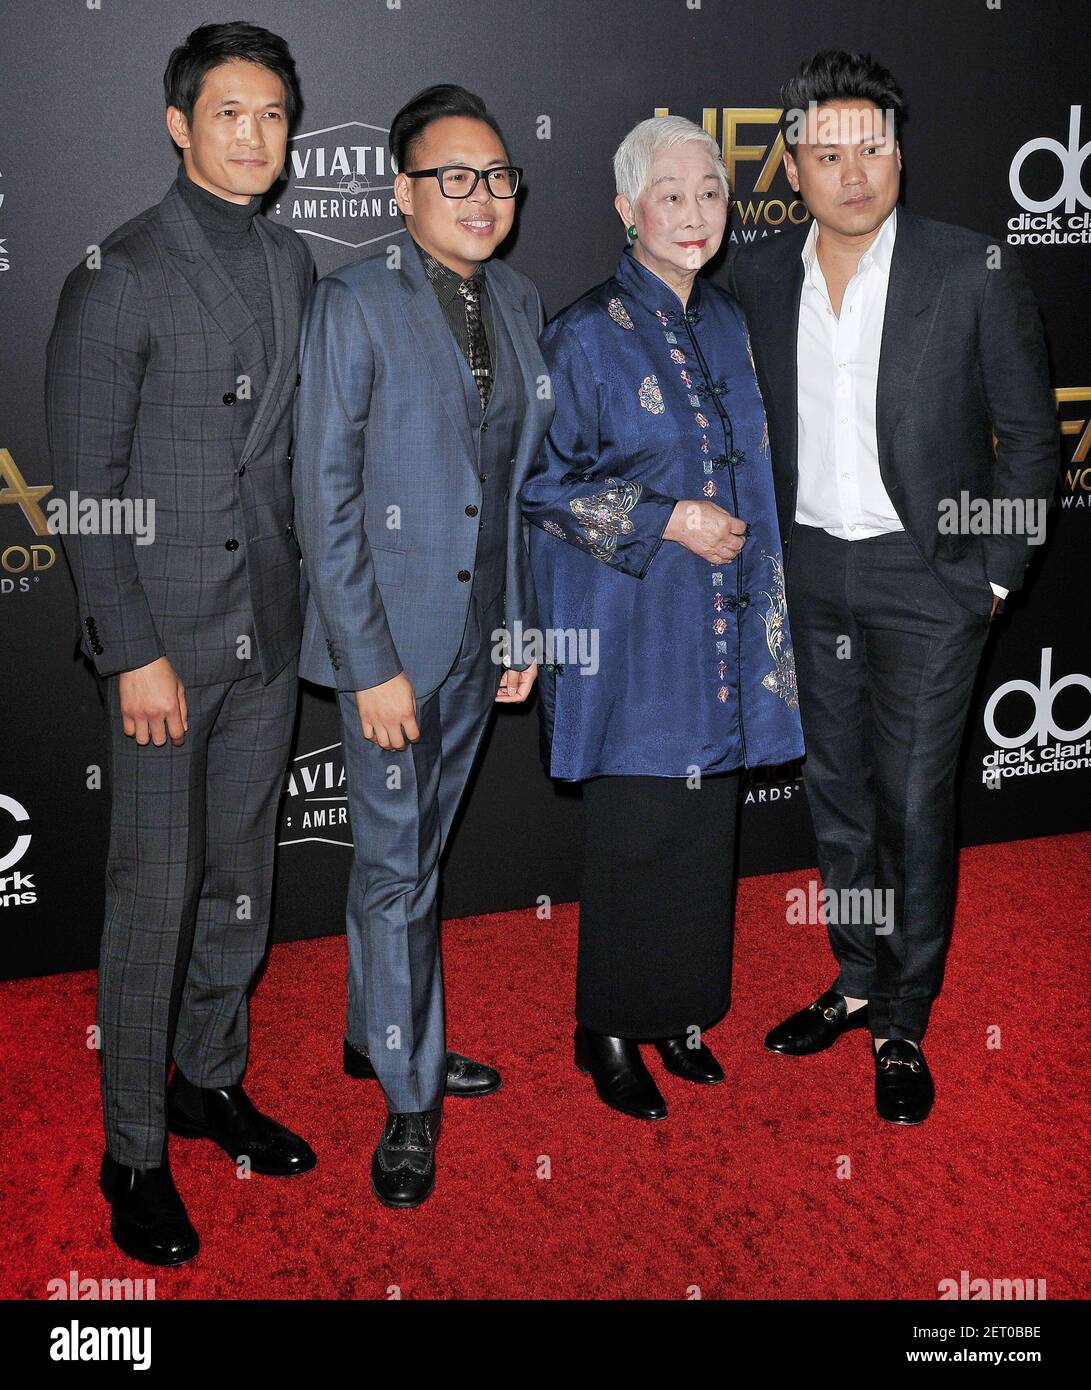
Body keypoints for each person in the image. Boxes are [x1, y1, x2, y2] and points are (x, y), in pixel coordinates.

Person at [729, 50, 1059, 1123]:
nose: (854, 171)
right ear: (795, 162)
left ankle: (904, 1014)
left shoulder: (972, 268)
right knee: (835, 793)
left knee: (912, 799)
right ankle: (856, 972)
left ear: (897, 153)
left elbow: (1031, 442)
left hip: (930, 578)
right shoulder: (760, 276)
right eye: (829, 152)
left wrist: (994, 580)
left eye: (872, 146)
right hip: (811, 569)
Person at [44, 22, 317, 1266]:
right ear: (177, 123)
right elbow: (86, 489)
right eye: (227, 114)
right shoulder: (121, 269)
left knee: (237, 886)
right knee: (152, 900)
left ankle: (211, 1081)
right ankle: (133, 1149)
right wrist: (129, 648)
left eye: (270, 114)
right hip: (166, 649)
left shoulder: (293, 263)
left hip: (266, 631)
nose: (253, 136)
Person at [292, 85, 555, 1207]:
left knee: (413, 857)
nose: (481, 195)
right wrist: (369, 665)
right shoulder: (353, 303)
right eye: (454, 177)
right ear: (401, 192)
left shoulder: (520, 297)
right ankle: (408, 1096)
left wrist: (520, 619)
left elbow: (520, 488)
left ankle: (373, 1029)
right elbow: (325, 498)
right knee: (400, 870)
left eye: (496, 176)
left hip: (479, 631)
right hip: (390, 651)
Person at [521, 116, 804, 1121]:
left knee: (700, 829)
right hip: (630, 627)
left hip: (721, 622)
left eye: (709, 194)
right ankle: (604, 1024)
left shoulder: (726, 319)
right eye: (669, 194)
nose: (693, 213)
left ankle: (679, 1011)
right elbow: (542, 488)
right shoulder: (583, 331)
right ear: (625, 209)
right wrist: (665, 517)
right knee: (637, 831)